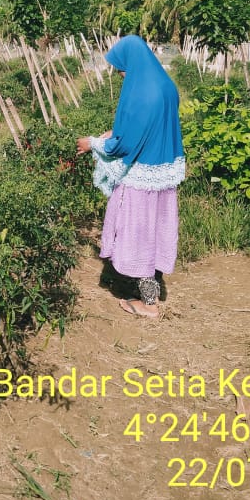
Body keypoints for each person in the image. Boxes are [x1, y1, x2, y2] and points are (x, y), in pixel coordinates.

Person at [77, 35, 185, 318]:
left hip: (141, 177)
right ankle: (152, 290)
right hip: (163, 175)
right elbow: (153, 125)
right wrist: (115, 133)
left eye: (120, 66)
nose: (120, 72)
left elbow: (125, 145)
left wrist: (94, 143)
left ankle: (149, 303)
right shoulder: (164, 85)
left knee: (140, 236)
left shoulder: (141, 93)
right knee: (156, 231)